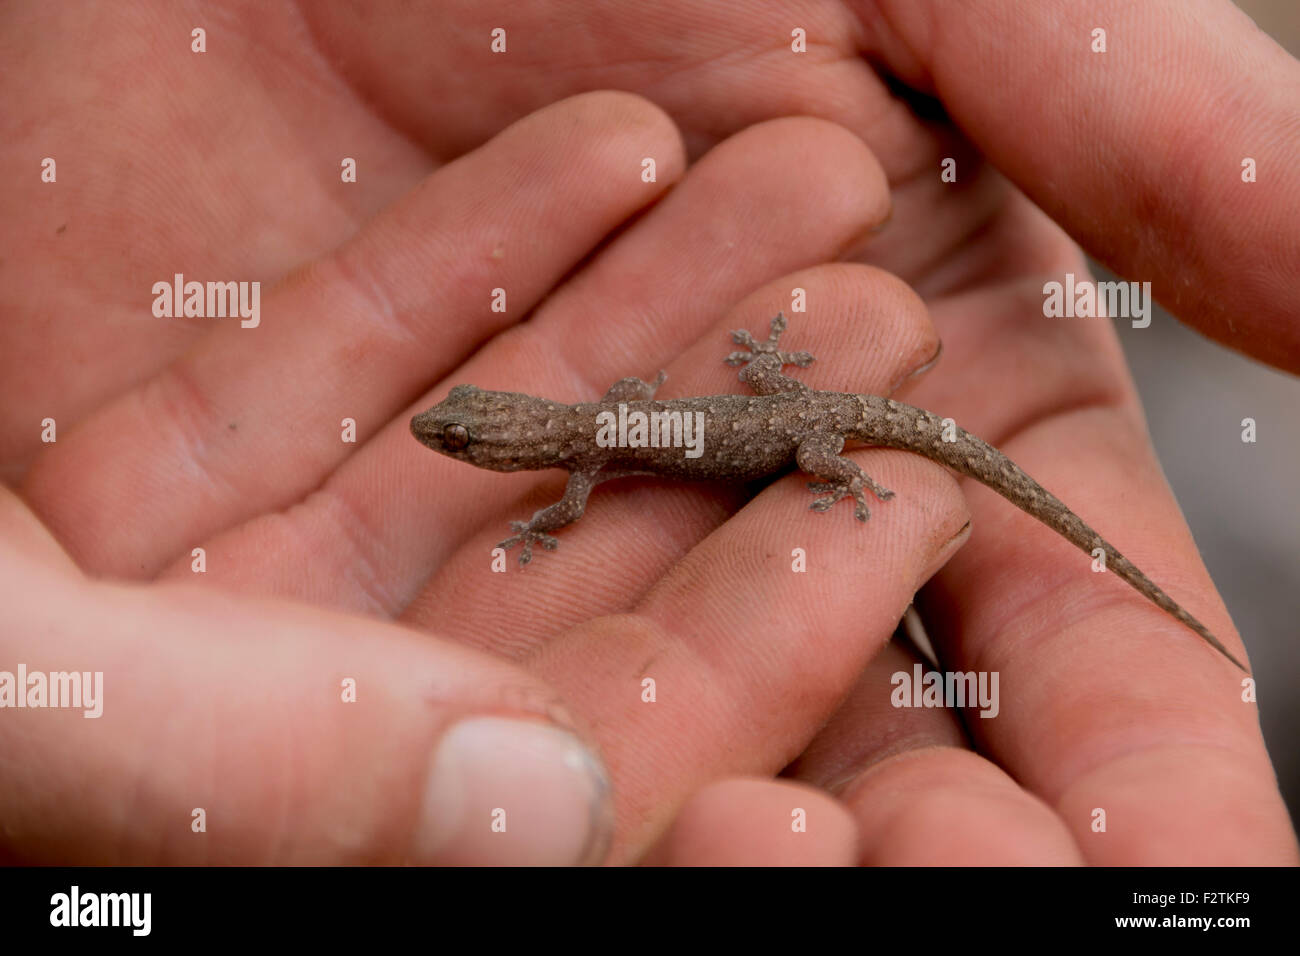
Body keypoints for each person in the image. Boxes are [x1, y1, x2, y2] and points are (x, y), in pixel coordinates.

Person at [1, 0, 1295, 865]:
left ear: (519, 449)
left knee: (855, 480)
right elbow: (603, 459)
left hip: (806, 432)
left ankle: (848, 475)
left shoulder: (585, 455)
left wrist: (821, 462)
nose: (466, 443)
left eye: (471, 441)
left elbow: (587, 492)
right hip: (782, 412)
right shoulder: (594, 437)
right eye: (471, 441)